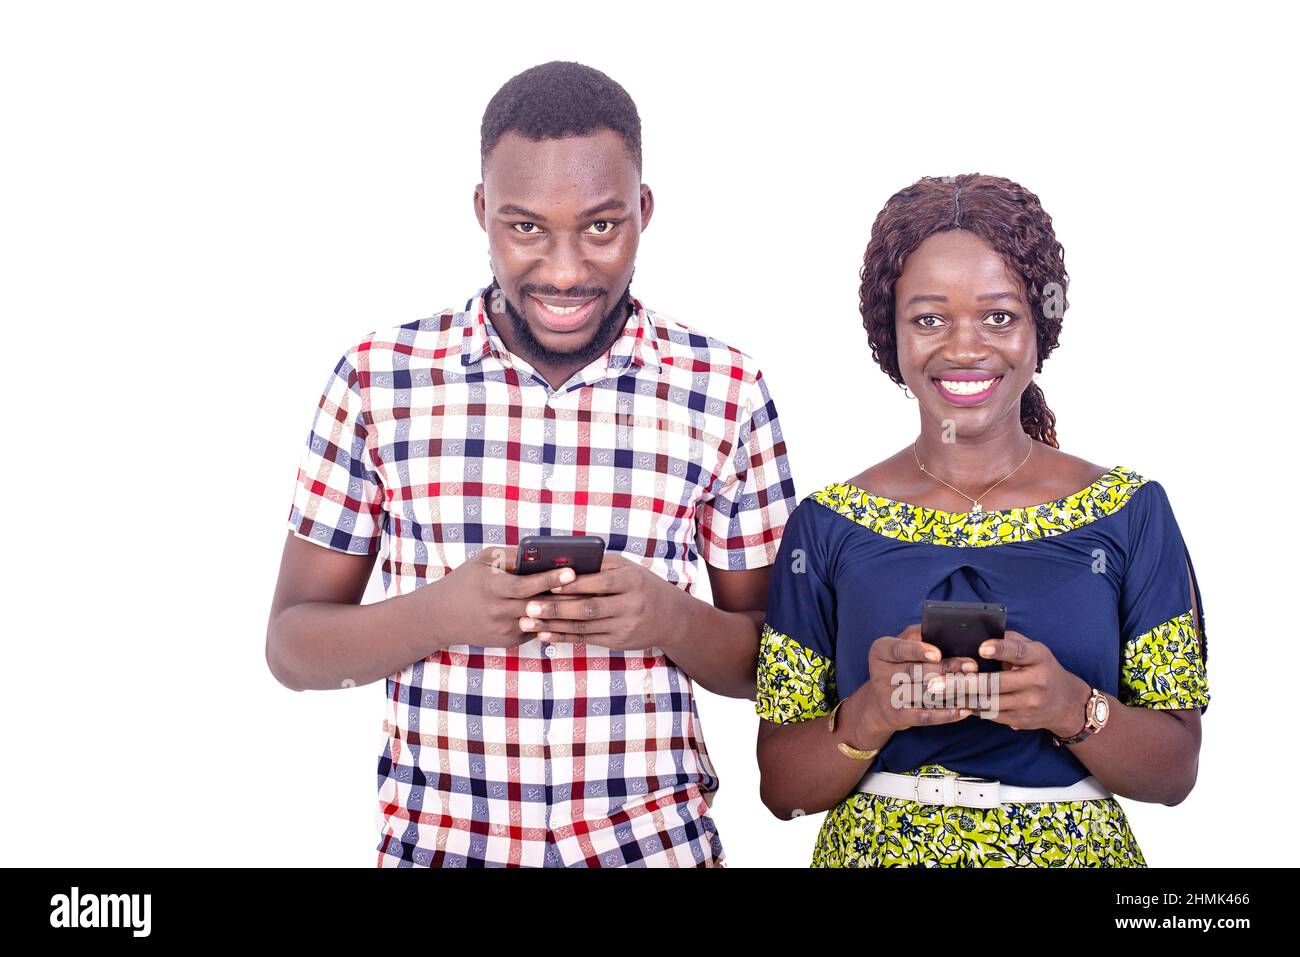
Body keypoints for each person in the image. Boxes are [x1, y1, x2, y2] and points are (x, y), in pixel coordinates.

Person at [267, 61, 797, 867]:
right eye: (524, 228)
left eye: (600, 226)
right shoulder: (377, 380)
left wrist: (667, 617)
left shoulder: (725, 390)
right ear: (482, 210)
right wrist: (439, 613)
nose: (563, 271)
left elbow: (778, 665)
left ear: (644, 211)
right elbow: (293, 646)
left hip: (653, 848)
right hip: (440, 850)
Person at [755, 174, 1208, 867]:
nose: (964, 348)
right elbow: (781, 785)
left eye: (998, 316)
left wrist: (1069, 705)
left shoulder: (1130, 512)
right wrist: (875, 711)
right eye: (929, 319)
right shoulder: (824, 526)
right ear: (891, 331)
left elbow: (1175, 772)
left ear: (1038, 328)